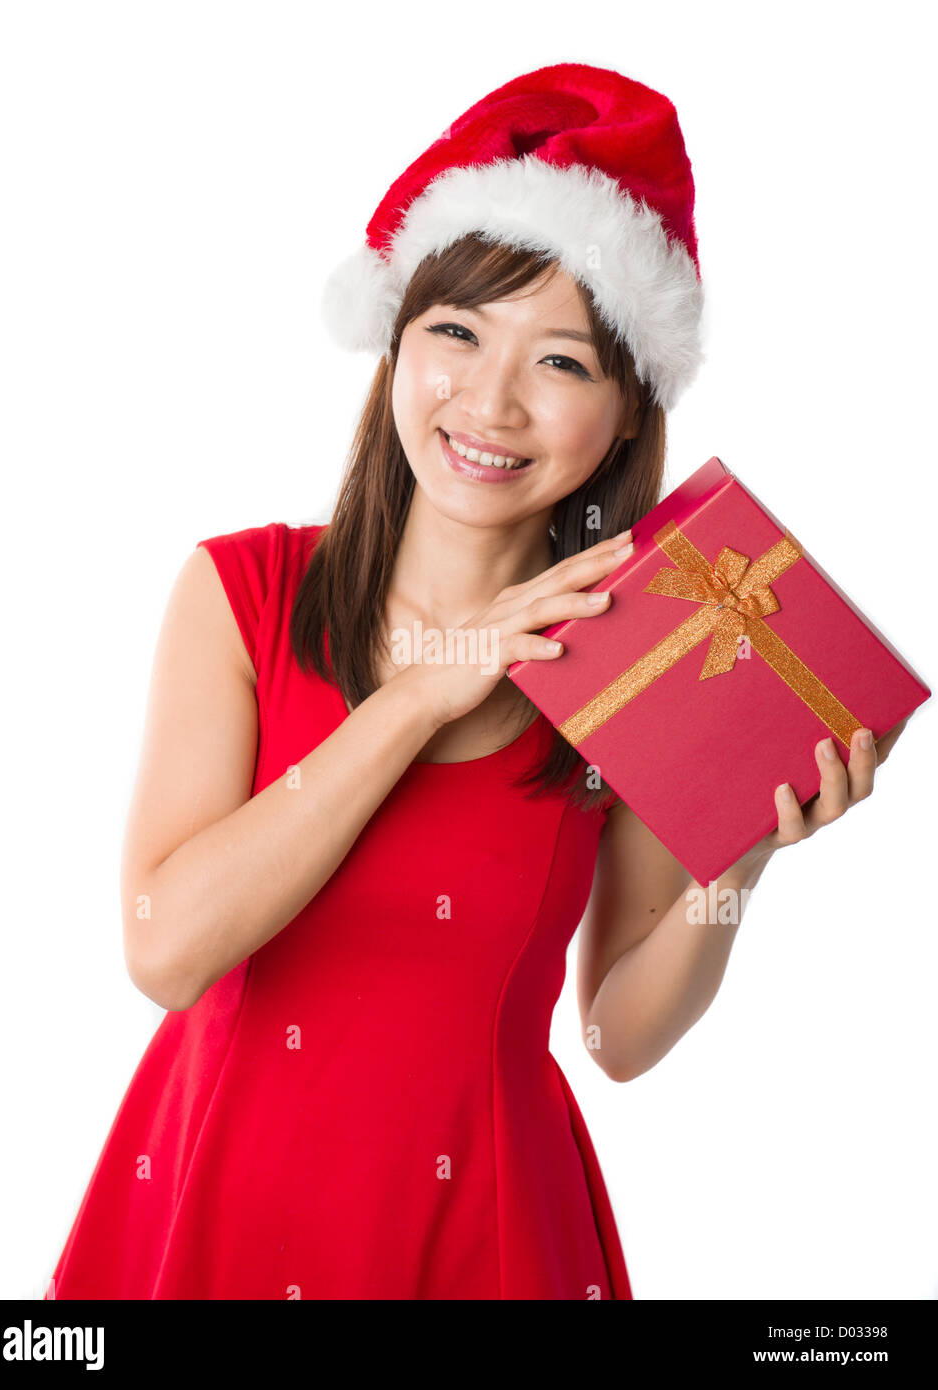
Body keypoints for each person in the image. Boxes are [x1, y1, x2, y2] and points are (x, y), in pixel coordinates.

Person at [44, 61, 903, 1301]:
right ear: (395, 345)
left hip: (485, 1237)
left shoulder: (637, 661)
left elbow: (612, 1036)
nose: (488, 400)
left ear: (620, 415)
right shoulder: (242, 595)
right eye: (454, 331)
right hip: (224, 1197)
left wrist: (735, 865)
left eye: (560, 361)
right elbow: (166, 952)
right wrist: (421, 694)